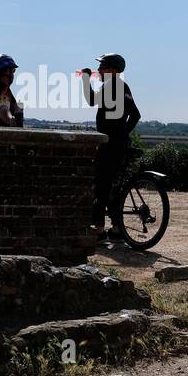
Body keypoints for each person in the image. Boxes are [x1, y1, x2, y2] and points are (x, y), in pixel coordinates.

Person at [80, 53, 141, 239]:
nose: (99, 70)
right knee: (113, 187)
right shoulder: (121, 86)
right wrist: (123, 133)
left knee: (101, 186)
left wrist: (84, 79)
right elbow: (136, 115)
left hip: (109, 145)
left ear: (113, 70)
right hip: (118, 144)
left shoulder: (111, 86)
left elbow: (90, 100)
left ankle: (98, 230)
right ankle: (116, 228)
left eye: (103, 67)